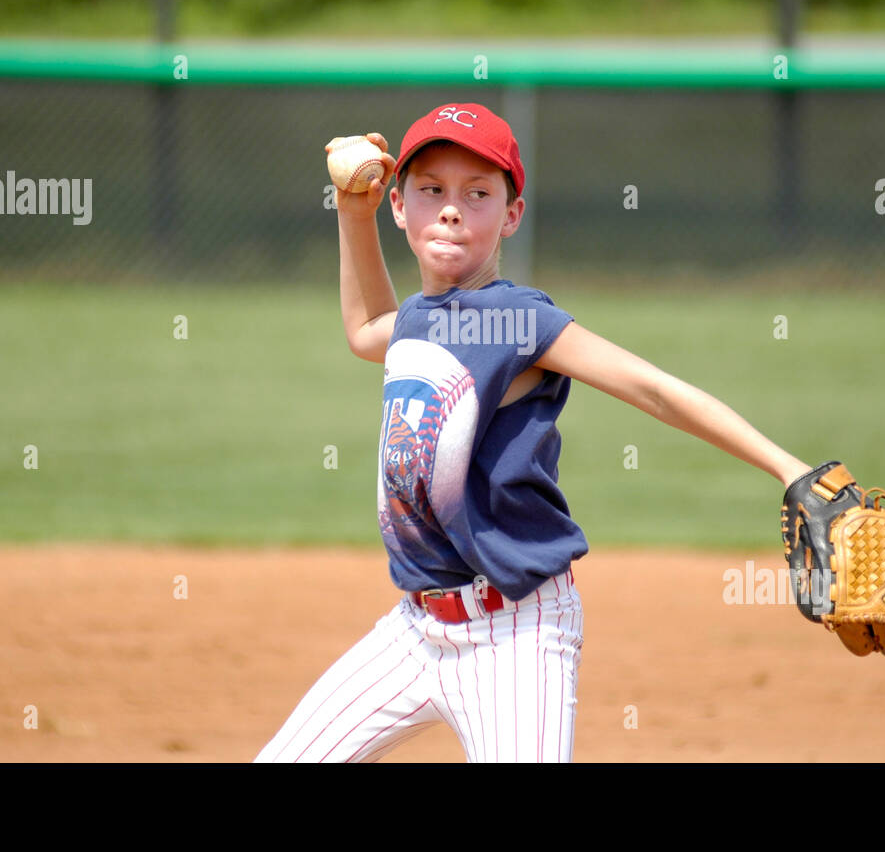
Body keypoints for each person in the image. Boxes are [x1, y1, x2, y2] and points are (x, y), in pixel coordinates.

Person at [254, 102, 810, 763]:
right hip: (413, 630)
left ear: (512, 215)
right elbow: (365, 328)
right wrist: (353, 213)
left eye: (478, 194)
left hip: (513, 635)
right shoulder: (418, 317)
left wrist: (788, 467)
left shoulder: (515, 318)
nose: (452, 209)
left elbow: (652, 389)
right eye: (431, 190)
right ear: (399, 206)